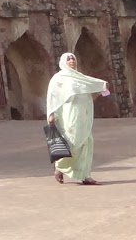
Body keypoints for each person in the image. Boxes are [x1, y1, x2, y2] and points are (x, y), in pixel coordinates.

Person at [46, 52, 110, 185]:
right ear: (63, 62)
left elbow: (89, 94)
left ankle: (85, 175)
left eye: (73, 59)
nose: (72, 61)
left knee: (87, 143)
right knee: (73, 143)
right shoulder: (58, 79)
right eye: (69, 59)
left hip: (84, 115)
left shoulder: (80, 78)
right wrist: (52, 113)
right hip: (69, 115)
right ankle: (60, 166)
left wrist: (100, 90)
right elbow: (54, 98)